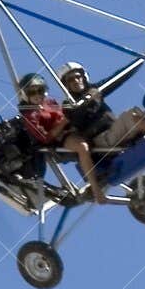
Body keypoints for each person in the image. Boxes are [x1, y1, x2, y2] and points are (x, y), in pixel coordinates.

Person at [17, 72, 107, 203]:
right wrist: (64, 122)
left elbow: (63, 114)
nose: (37, 95)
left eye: (40, 90)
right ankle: (96, 189)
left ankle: (103, 169)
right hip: (59, 140)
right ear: (25, 94)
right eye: (32, 92)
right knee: (82, 147)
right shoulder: (30, 114)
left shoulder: (50, 103)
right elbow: (45, 137)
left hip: (71, 128)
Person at [57, 61, 145, 152]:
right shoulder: (68, 104)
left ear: (83, 77)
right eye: (70, 80)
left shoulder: (94, 90)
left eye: (78, 77)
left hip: (115, 130)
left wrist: (141, 60)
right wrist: (88, 102)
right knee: (131, 117)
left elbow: (118, 78)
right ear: (66, 86)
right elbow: (75, 121)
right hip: (102, 141)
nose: (76, 81)